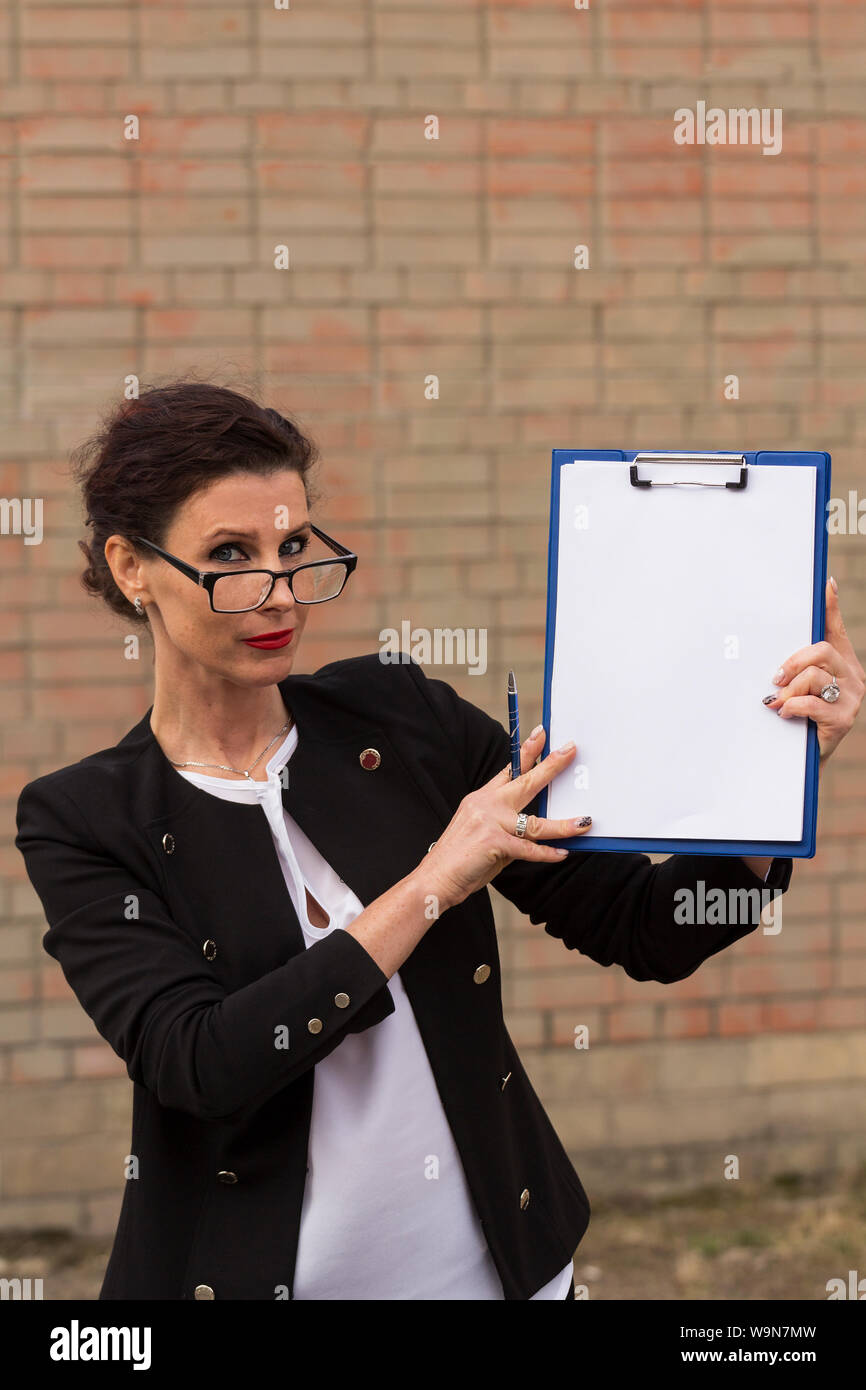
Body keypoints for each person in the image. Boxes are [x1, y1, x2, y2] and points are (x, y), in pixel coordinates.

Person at [15, 382, 863, 1300]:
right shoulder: (84, 817)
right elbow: (201, 1064)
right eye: (231, 556)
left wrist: (773, 773)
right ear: (131, 567)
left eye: (294, 547)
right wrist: (432, 883)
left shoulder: (402, 717)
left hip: (508, 1279)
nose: (280, 593)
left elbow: (642, 929)